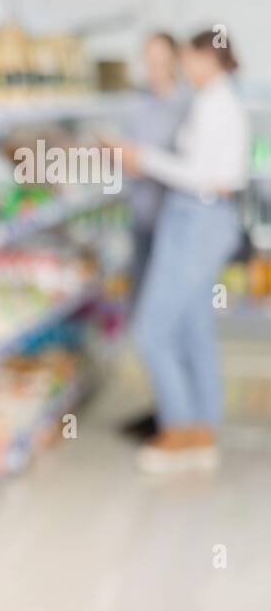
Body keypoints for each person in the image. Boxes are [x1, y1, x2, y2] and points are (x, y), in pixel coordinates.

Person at [119, 29, 250, 473]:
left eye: (188, 59)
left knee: (151, 330)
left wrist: (144, 158)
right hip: (199, 218)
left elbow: (199, 174)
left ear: (207, 60)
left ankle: (177, 429)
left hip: (196, 218)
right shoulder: (213, 100)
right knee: (194, 327)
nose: (183, 68)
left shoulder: (215, 105)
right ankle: (201, 428)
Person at [119, 32, 189, 441]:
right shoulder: (139, 107)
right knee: (144, 318)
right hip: (142, 223)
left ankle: (177, 419)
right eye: (146, 59)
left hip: (172, 231)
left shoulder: (186, 107)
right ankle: (164, 408)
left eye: (159, 59)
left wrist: (143, 159)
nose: (152, 67)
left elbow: (190, 168)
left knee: (162, 326)